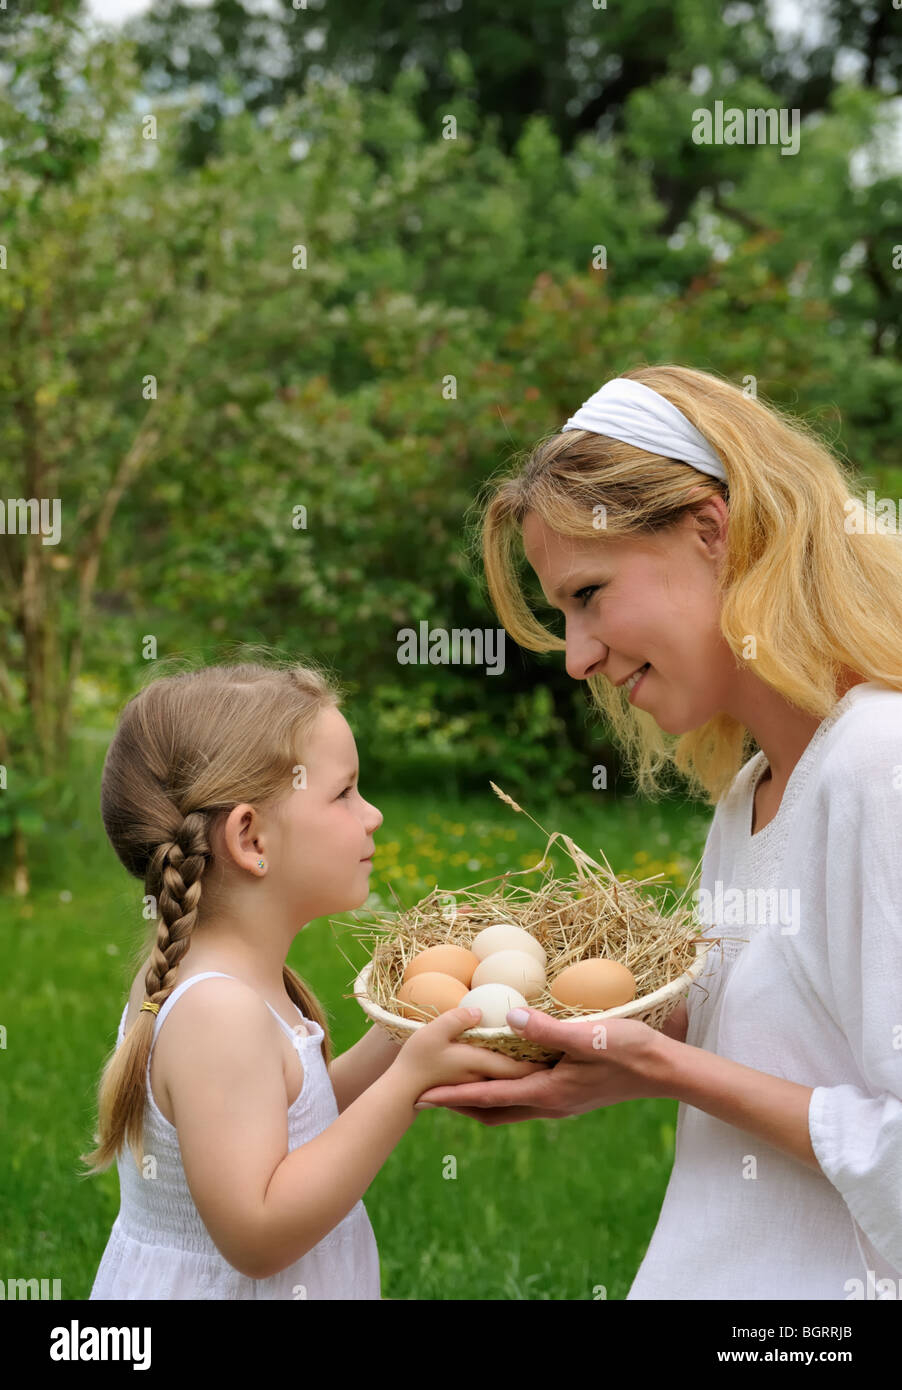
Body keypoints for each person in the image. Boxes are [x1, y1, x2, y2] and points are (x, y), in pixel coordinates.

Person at [415, 364, 902, 1299]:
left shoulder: (876, 766)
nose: (578, 656)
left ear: (711, 532)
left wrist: (670, 1067)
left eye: (589, 594)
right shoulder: (753, 798)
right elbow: (801, 1055)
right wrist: (617, 1057)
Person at [81, 656, 542, 1298]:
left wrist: (401, 1040)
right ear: (251, 838)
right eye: (344, 792)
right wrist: (409, 1083)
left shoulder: (220, 979)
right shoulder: (218, 1013)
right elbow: (258, 1235)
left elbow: (298, 1117)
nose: (373, 814)